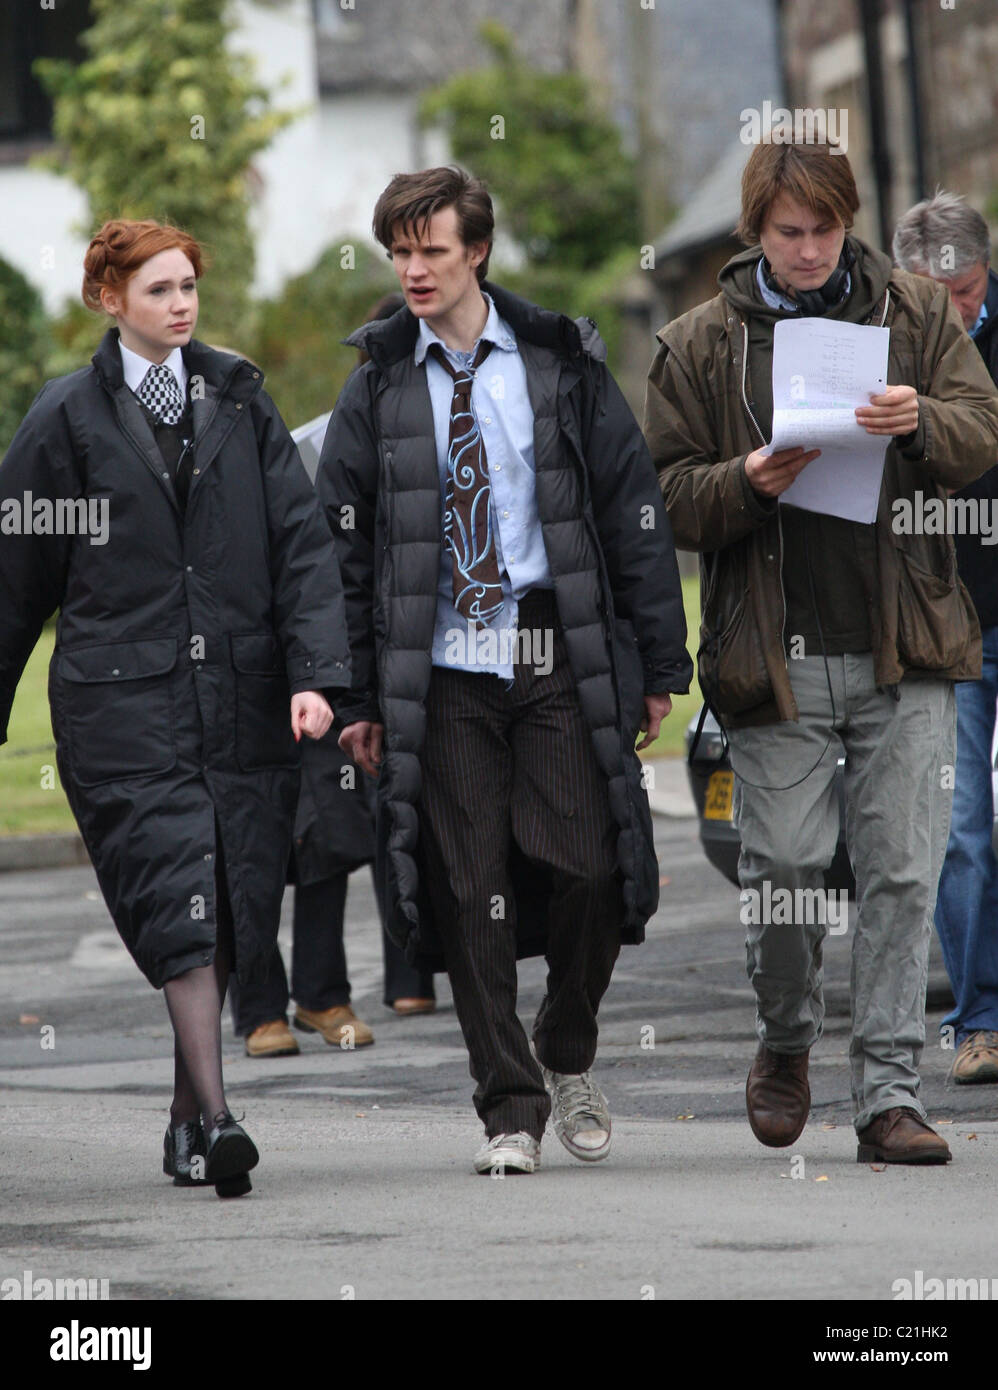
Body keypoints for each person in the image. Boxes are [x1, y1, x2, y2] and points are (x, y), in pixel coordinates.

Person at [318, 165, 692, 1175]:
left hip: (546, 645)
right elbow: (340, 554)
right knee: (468, 886)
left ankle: (565, 1046)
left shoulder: (557, 364)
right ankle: (508, 1111)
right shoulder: (376, 385)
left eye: (429, 250)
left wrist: (656, 658)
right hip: (437, 666)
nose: (411, 270)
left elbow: (630, 513)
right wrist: (354, 694)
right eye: (398, 252)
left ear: (474, 251)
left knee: (587, 864)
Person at [645, 134, 998, 1164]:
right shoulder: (695, 344)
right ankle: (785, 1037)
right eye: (788, 233)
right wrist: (743, 480)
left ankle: (886, 1096)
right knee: (789, 866)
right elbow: (665, 498)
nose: (808, 252)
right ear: (753, 231)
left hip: (907, 642)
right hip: (774, 652)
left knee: (899, 870)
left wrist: (919, 420)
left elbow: (980, 428)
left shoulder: (915, 313)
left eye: (825, 231)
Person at [0, 218, 350, 1196]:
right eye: (157, 289)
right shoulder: (65, 423)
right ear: (109, 300)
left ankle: (185, 1121)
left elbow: (300, 544)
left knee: (229, 900)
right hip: (121, 714)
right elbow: (13, 577)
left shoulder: (238, 400)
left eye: (188, 285)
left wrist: (315, 674)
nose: (180, 303)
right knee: (180, 903)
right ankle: (222, 1114)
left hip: (240, 707)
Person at [232, 292, 435, 1058]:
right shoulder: (279, 454)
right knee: (246, 849)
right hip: (243, 670)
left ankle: (323, 995)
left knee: (325, 833)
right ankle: (258, 1008)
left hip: (317, 671)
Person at [893, 191, 998, 1084]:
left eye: (964, 292)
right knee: (958, 830)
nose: (953, 313)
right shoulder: (886, 347)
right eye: (934, 295)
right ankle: (979, 1021)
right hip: (943, 624)